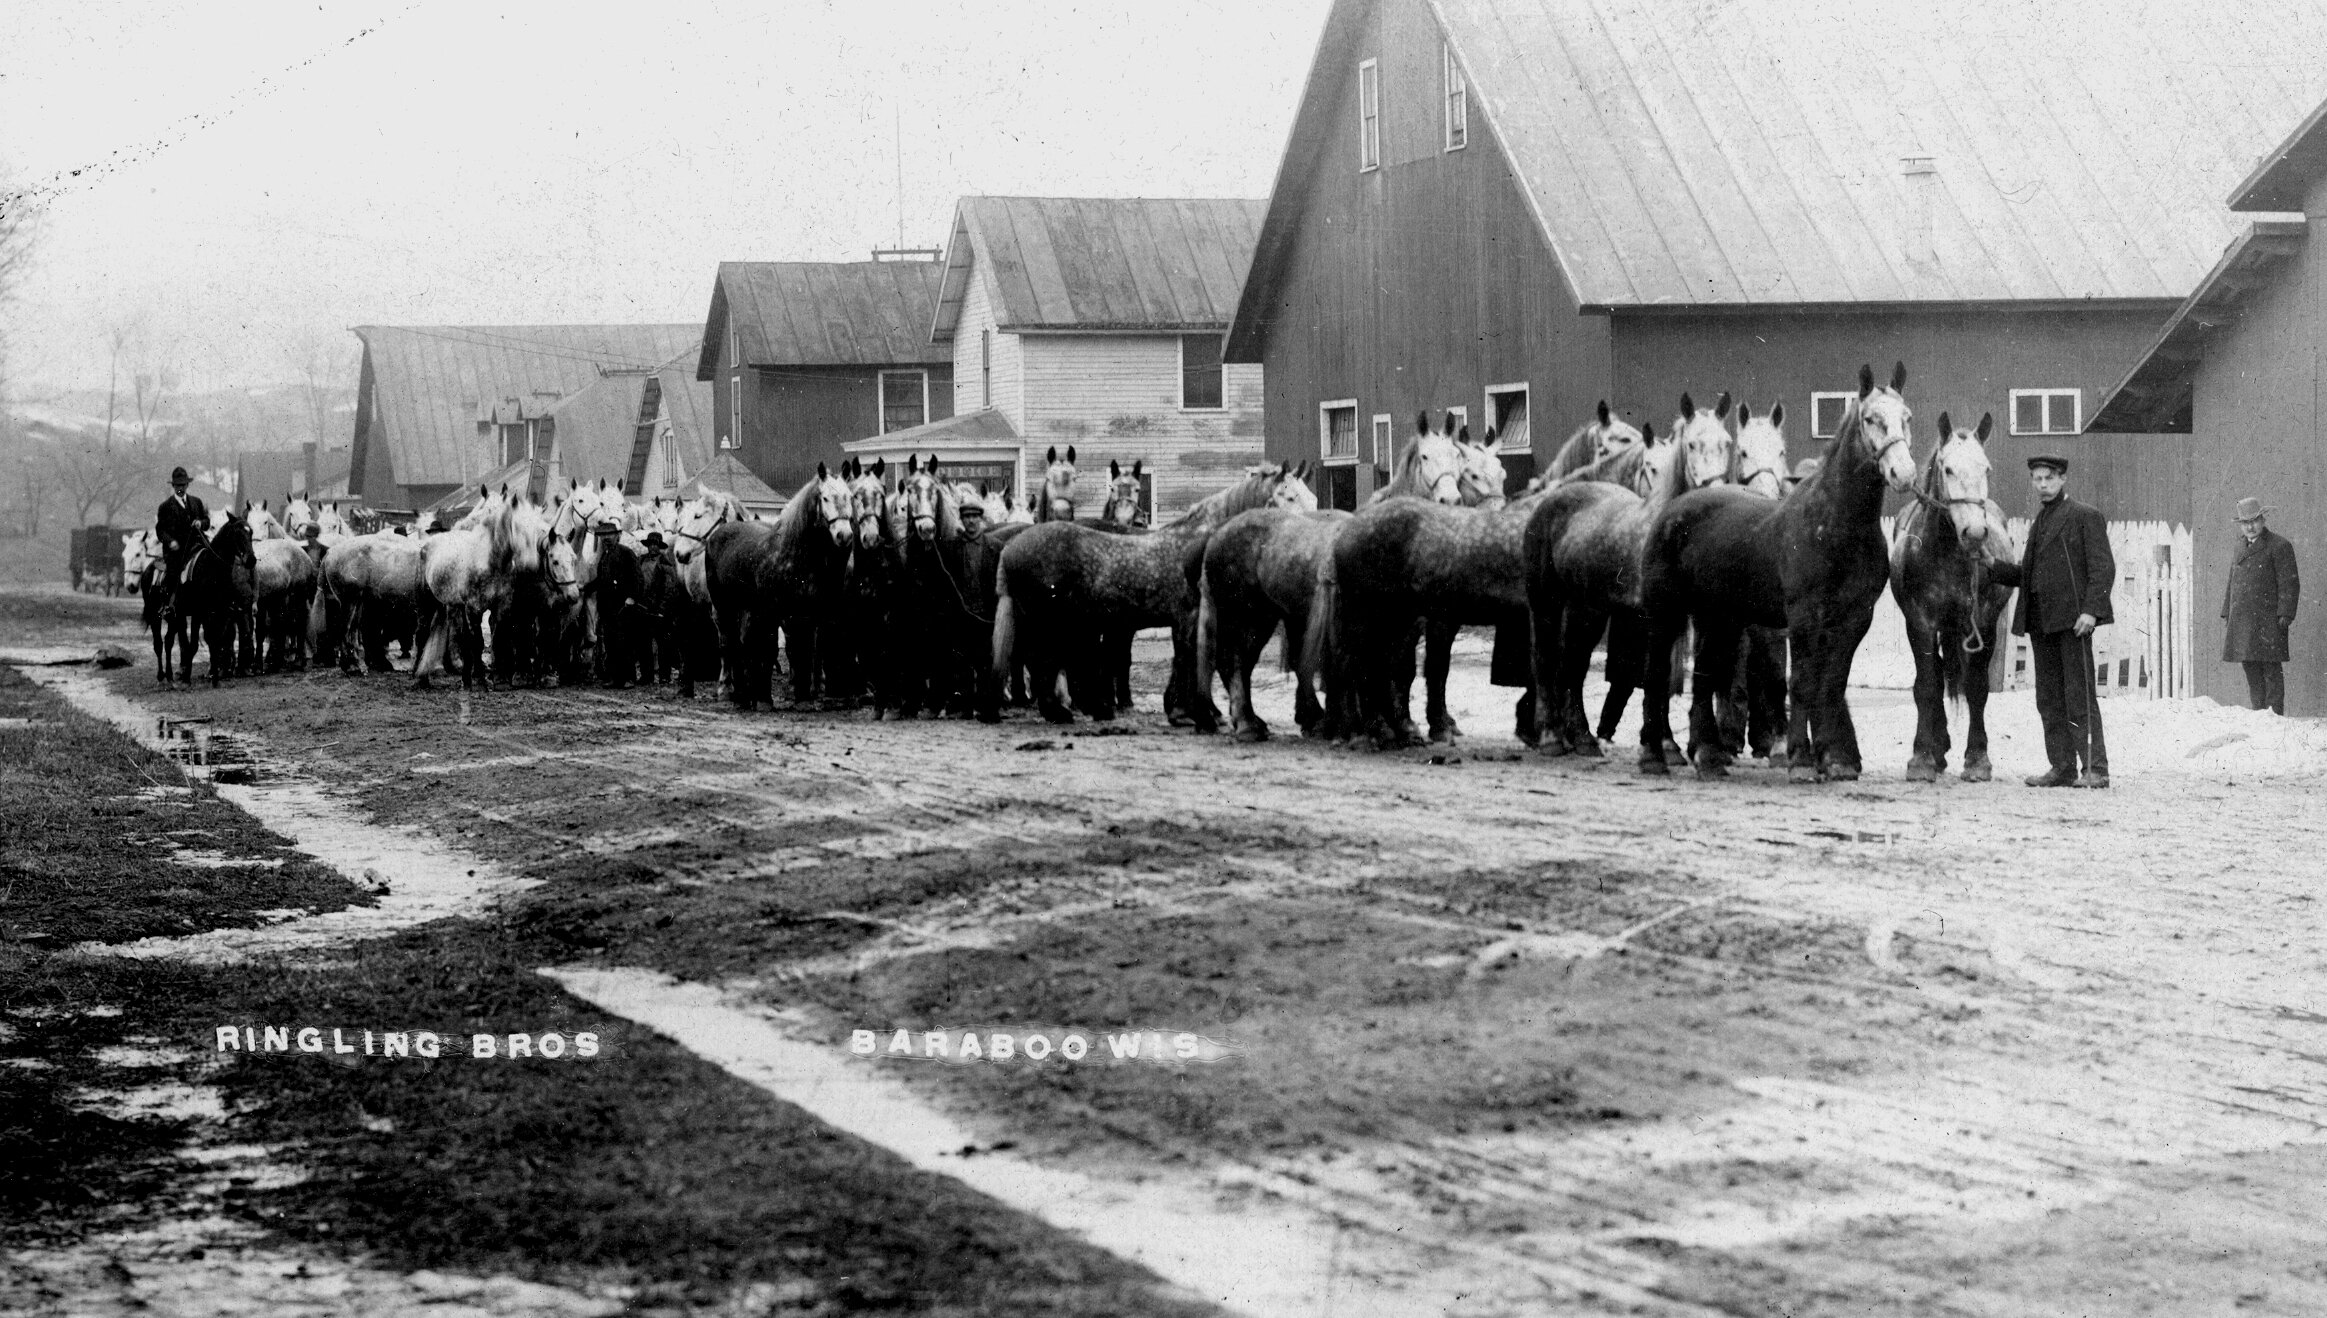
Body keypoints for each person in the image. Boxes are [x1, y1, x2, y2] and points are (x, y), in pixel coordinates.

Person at [1988, 454, 2114, 788]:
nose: (2042, 485)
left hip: (2073, 623)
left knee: (2079, 695)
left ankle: (2096, 768)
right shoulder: (2041, 521)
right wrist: (1992, 566)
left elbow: (2103, 568)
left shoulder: (2084, 515)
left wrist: (2091, 611)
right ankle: (2062, 767)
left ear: (2062, 479)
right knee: (2048, 699)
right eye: (2037, 479)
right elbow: (2029, 575)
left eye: (2049, 478)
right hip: (2041, 623)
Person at [2222, 496, 2300, 714]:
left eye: (2254, 521)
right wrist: (2227, 611)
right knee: (2250, 667)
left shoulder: (2279, 546)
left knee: (2271, 669)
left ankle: (2274, 715)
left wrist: (2286, 613)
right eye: (2245, 523)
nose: (2250, 527)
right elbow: (2232, 581)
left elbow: (2289, 582)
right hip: (2243, 619)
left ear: (2263, 520)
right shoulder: (2239, 547)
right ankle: (2258, 714)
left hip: (2269, 620)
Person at [154, 466, 209, 610]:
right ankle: (168, 604)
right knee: (173, 572)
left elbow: (206, 521)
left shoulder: (196, 502)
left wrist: (200, 523)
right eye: (178, 485)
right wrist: (170, 541)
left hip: (196, 546)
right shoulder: (165, 507)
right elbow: (160, 530)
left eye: (183, 485)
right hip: (176, 550)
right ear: (173, 486)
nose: (181, 488)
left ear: (187, 485)